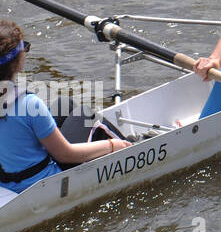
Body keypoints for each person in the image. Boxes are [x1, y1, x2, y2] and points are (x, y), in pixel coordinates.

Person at [0, 20, 131, 193]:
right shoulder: (29, 104)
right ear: (18, 62)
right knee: (84, 113)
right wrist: (112, 145)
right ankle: (131, 146)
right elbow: (65, 155)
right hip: (42, 184)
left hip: (7, 179)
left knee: (64, 103)